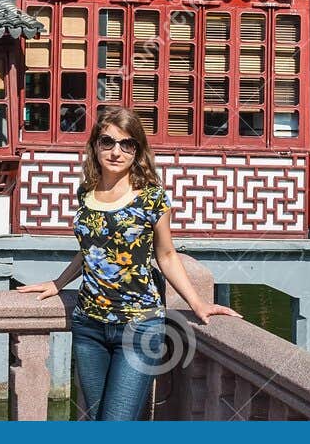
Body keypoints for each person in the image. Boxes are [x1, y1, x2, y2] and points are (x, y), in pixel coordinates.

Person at [17, 107, 240, 420]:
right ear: (95, 145)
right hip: (89, 325)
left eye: (127, 144)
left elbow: (166, 255)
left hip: (139, 326)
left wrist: (198, 303)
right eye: (107, 142)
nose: (116, 151)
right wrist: (58, 283)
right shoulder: (87, 192)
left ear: (138, 151)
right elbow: (90, 250)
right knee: (96, 419)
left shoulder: (151, 198)